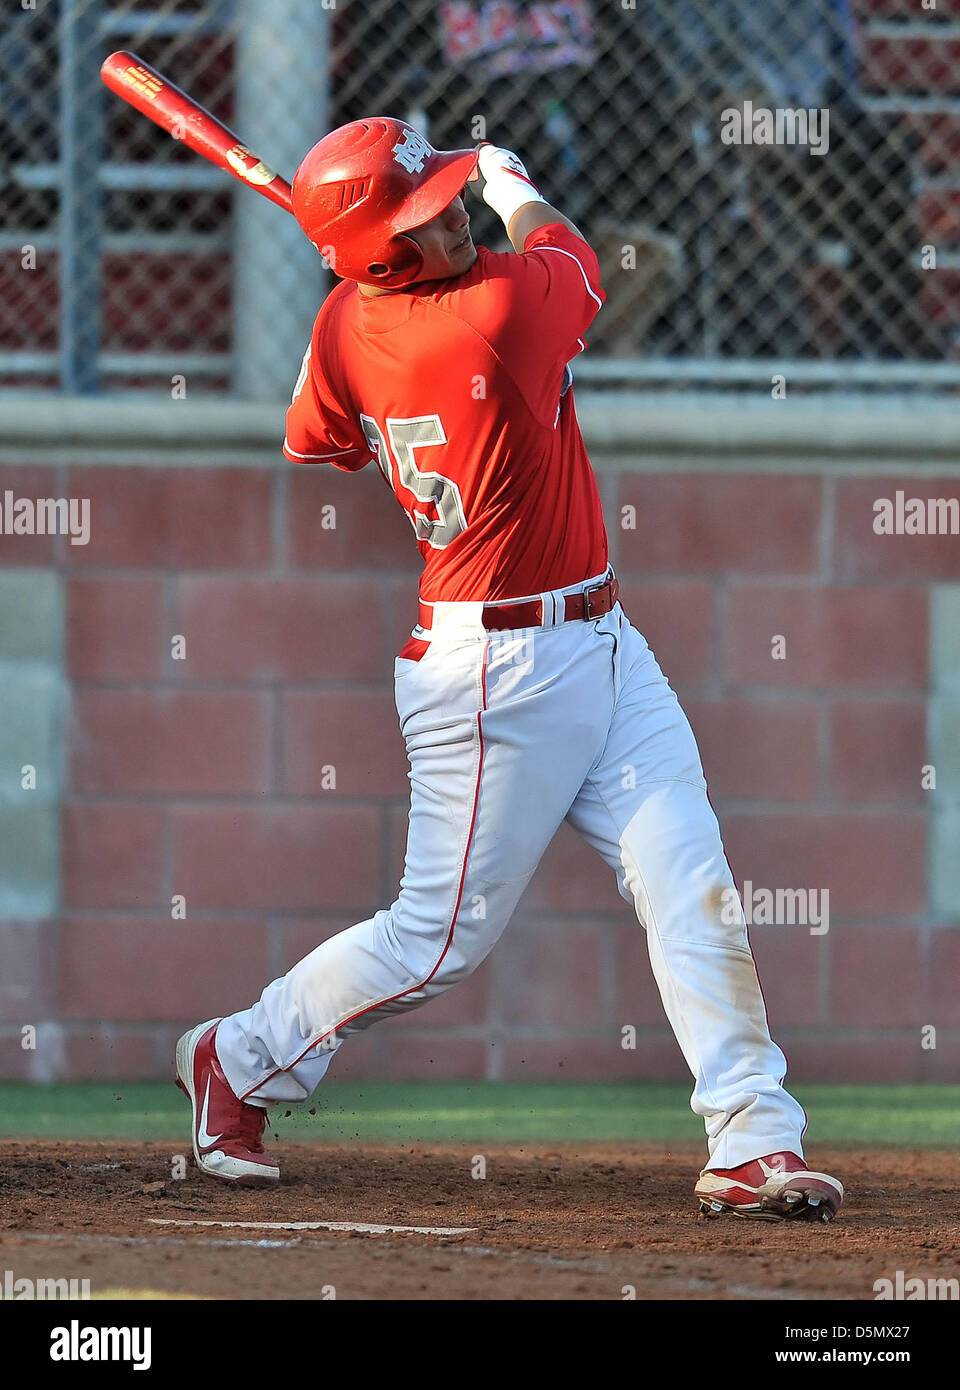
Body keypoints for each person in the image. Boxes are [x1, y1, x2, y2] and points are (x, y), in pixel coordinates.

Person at [175, 118, 844, 1222]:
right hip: (495, 675)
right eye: (422, 216)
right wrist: (509, 177)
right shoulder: (492, 313)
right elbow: (575, 257)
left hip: (602, 639)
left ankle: (753, 1137)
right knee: (434, 942)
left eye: (447, 199)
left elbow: (318, 438)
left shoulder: (351, 323)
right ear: (383, 253)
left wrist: (358, 302)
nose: (453, 213)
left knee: (691, 879)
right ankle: (238, 1056)